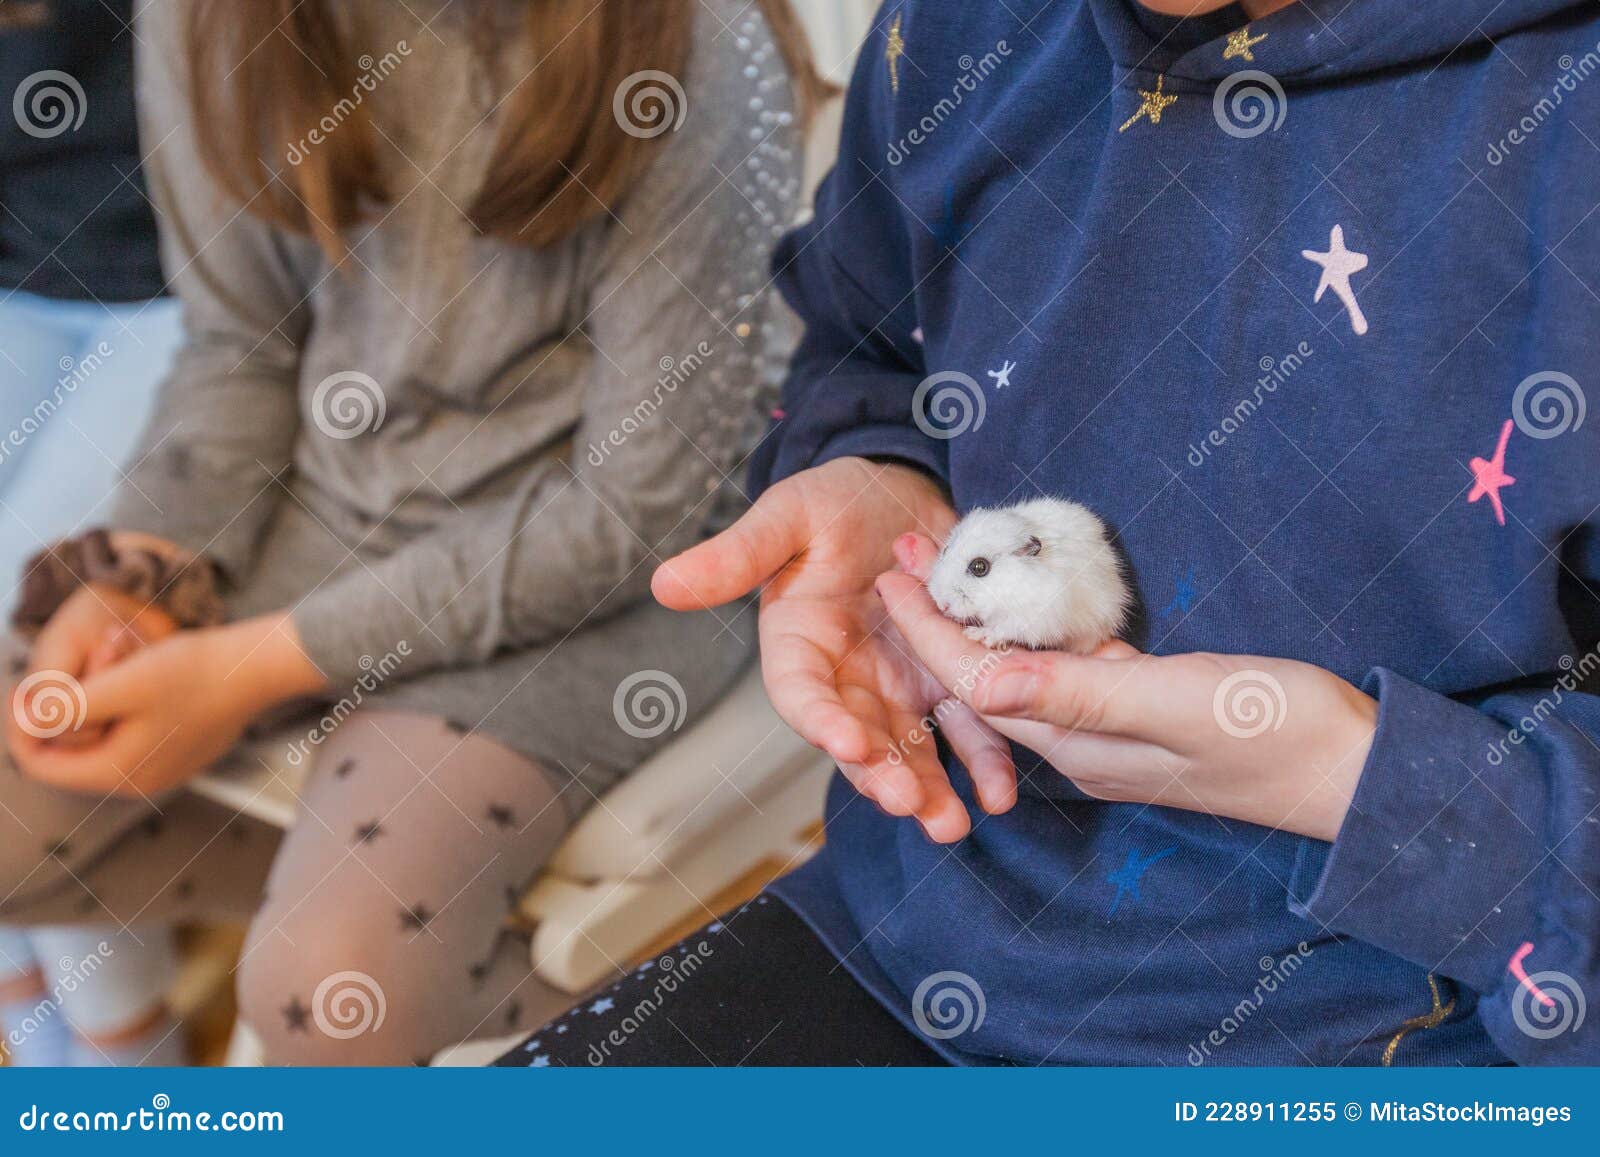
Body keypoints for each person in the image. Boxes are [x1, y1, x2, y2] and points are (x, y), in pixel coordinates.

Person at [500, 0, 1599, 1066]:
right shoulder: (949, 34)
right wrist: (878, 465)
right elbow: (864, 339)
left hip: (1409, 1035)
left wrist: (1362, 785)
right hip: (919, 922)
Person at [0, 0, 817, 1066]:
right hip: (332, 513)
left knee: (328, 997)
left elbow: (636, 511)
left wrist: (247, 667)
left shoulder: (698, 42)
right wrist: (143, 572)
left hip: (617, 582)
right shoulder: (197, 15)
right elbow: (237, 349)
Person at [0, 0, 189, 1067]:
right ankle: (31, 1023)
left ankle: (126, 1048)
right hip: (20, 289)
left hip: (188, 298)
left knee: (26, 631)